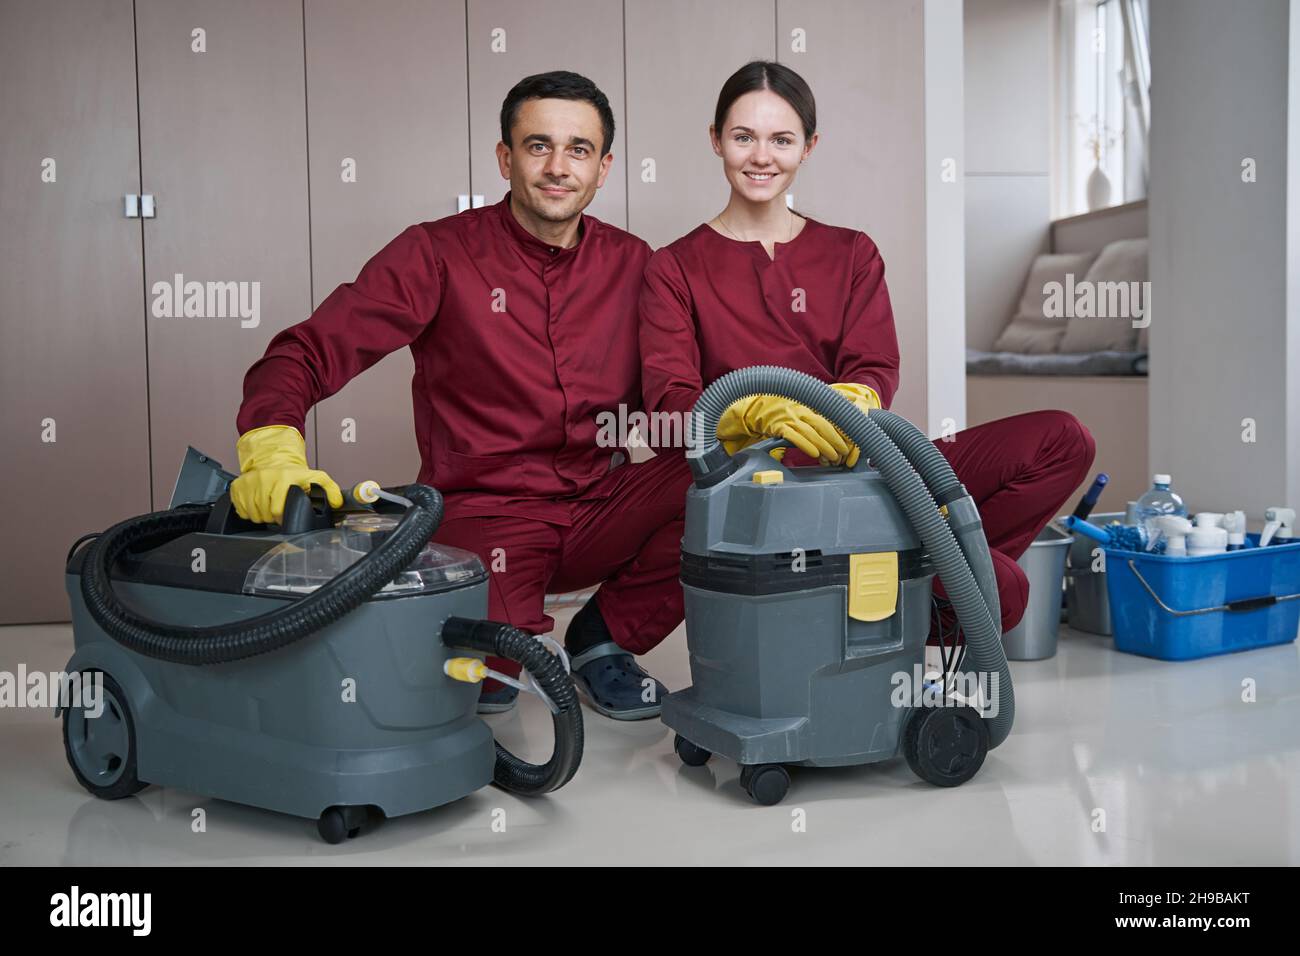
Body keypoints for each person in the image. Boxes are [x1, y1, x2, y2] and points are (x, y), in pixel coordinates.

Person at [232, 71, 689, 720]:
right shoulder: (436, 254)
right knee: (496, 680)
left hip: (597, 506)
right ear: (505, 158)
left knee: (719, 479)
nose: (558, 167)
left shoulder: (636, 263)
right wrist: (271, 446)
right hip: (487, 518)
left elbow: (677, 391)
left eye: (578, 150)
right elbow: (304, 353)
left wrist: (752, 420)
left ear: (604, 166)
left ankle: (604, 640)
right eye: (538, 146)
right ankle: (508, 636)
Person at [638, 60, 1096, 638]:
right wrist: (753, 412)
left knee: (1062, 438)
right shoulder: (674, 267)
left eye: (782, 139)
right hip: (767, 495)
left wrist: (854, 400)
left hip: (867, 464)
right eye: (743, 137)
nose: (761, 156)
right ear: (715, 140)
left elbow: (874, 367)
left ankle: (927, 569)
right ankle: (932, 580)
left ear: (808, 147)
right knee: (1003, 590)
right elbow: (666, 412)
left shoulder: (852, 253)